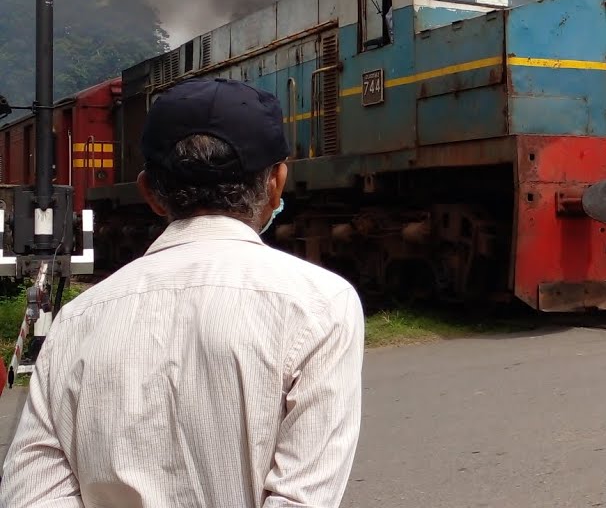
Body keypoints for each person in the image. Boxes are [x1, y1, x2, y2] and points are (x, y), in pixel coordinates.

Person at [0, 78, 364, 507]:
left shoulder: (78, 318)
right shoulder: (323, 304)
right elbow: (303, 499)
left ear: (150, 194)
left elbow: (31, 495)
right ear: (276, 183)